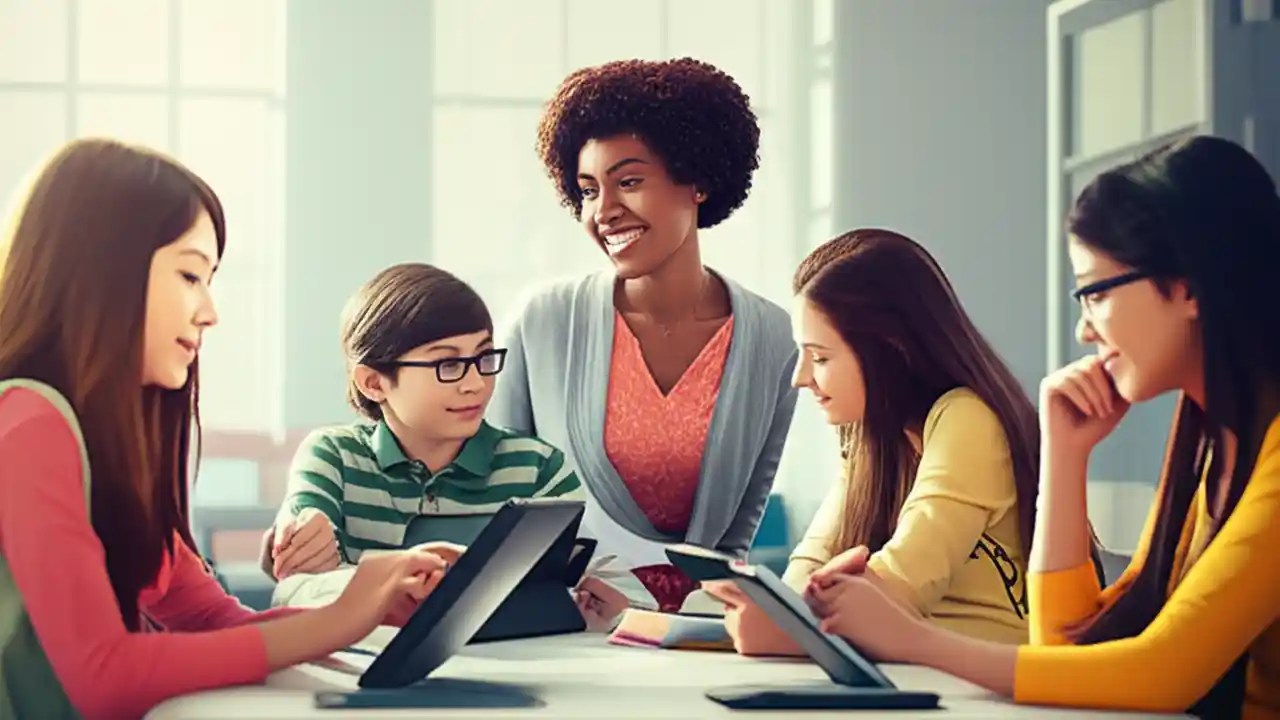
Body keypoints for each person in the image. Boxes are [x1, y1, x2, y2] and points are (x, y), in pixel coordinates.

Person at [805, 136, 1280, 719]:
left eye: (1095, 293)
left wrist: (912, 640)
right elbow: (1065, 645)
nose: (1085, 330)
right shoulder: (1207, 445)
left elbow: (1164, 671)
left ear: (1186, 287)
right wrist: (1064, 456)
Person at [0, 139, 446, 719]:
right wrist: (339, 620)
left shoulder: (109, 446)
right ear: (102, 269)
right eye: (191, 275)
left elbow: (217, 622)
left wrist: (373, 602)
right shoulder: (27, 423)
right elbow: (101, 677)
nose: (210, 311)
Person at [489, 58, 798, 613]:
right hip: (560, 627)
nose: (603, 212)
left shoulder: (772, 339)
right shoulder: (543, 321)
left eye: (628, 182)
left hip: (695, 637)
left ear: (698, 180)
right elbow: (495, 501)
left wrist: (689, 622)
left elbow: (733, 542)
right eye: (587, 191)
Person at [706, 229, 1041, 653]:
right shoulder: (869, 436)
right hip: (904, 673)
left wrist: (789, 628)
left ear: (891, 349)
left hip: (983, 689)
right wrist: (773, 612)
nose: (800, 378)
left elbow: (899, 588)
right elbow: (810, 564)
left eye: (821, 357)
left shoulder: (968, 419)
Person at [261, 263, 638, 629]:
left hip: (517, 670)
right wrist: (398, 583)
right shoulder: (334, 458)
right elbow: (295, 591)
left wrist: (608, 609)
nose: (475, 384)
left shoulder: (538, 468)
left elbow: (603, 582)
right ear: (373, 382)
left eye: (484, 357)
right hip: (370, 673)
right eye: (448, 365)